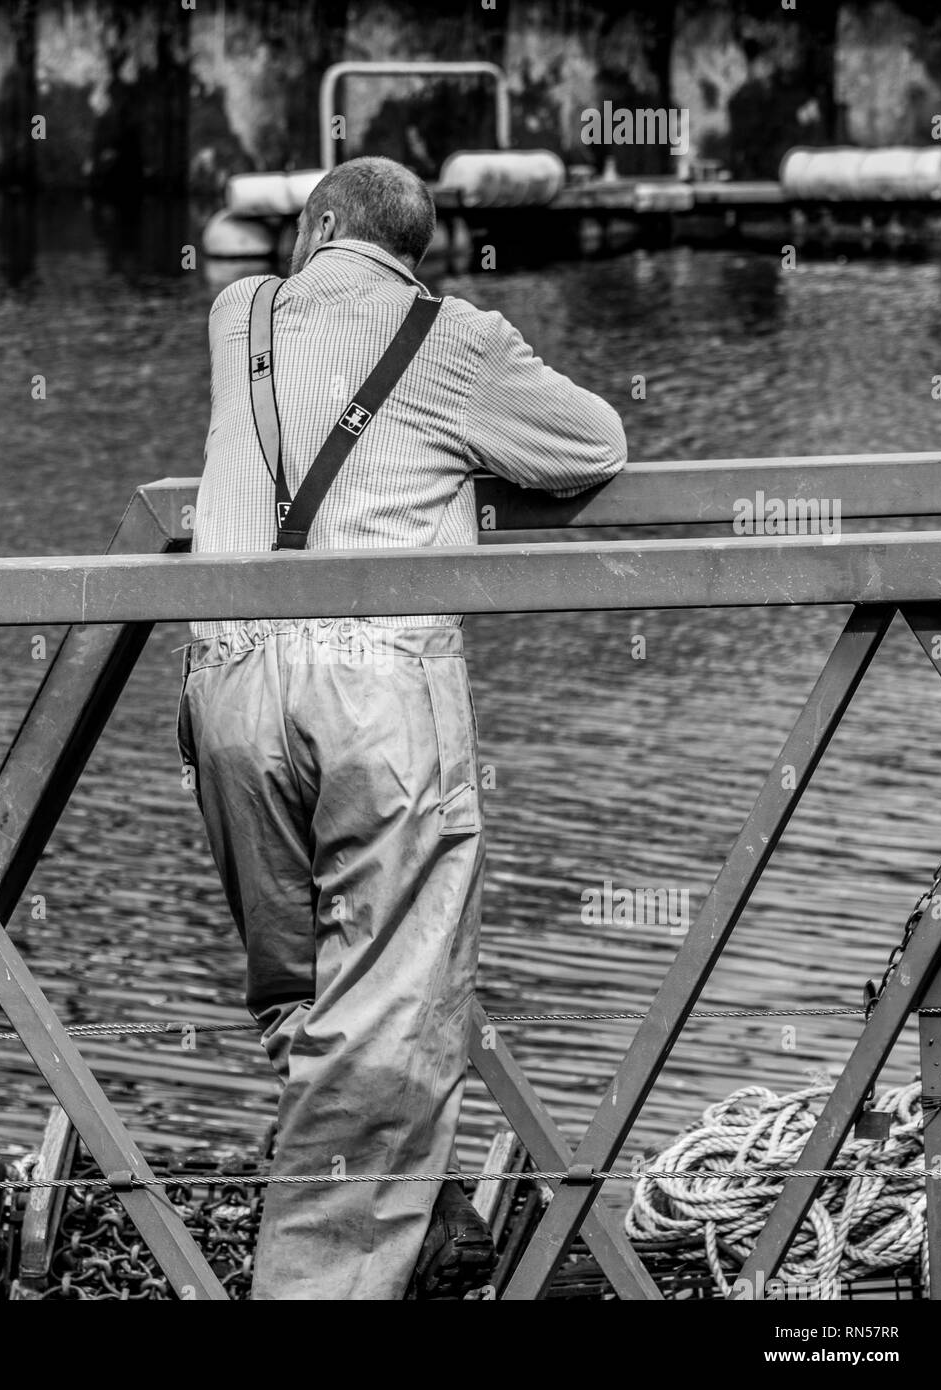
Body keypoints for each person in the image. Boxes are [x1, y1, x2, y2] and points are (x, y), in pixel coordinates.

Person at [177, 155, 627, 1300]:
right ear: (415, 252)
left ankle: (397, 1216)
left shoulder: (240, 312)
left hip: (228, 676)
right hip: (373, 684)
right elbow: (591, 446)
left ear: (320, 224)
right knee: (387, 1000)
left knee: (298, 990)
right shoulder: (456, 339)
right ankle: (321, 1283)